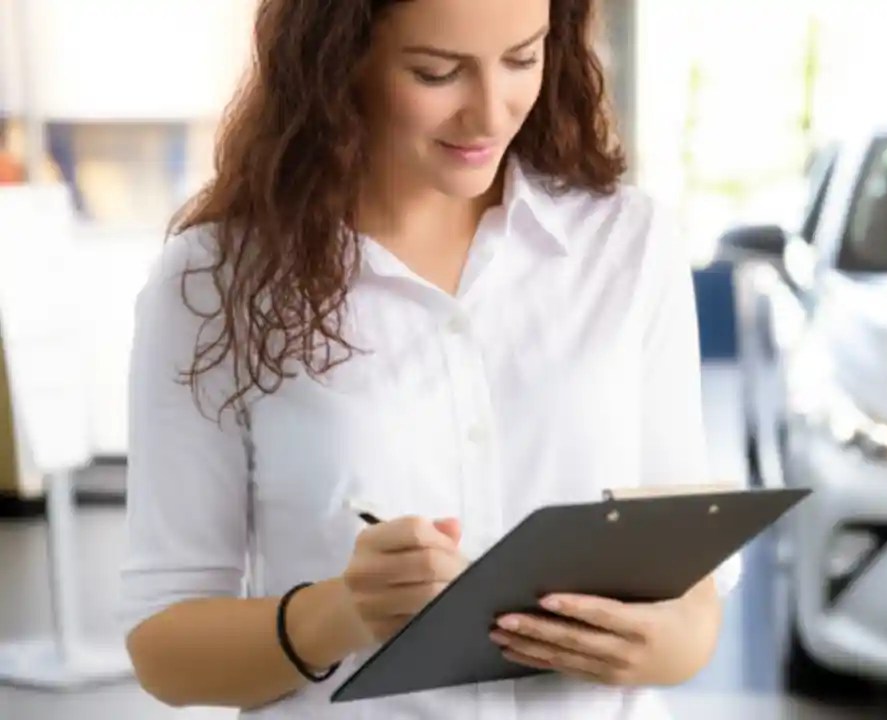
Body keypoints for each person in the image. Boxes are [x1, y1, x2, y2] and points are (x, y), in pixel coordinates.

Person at [119, 0, 741, 717]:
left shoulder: (628, 242)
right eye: (437, 72)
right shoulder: (214, 281)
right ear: (337, 61)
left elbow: (687, 571)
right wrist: (341, 613)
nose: (489, 115)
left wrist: (668, 646)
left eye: (522, 58)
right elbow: (164, 648)